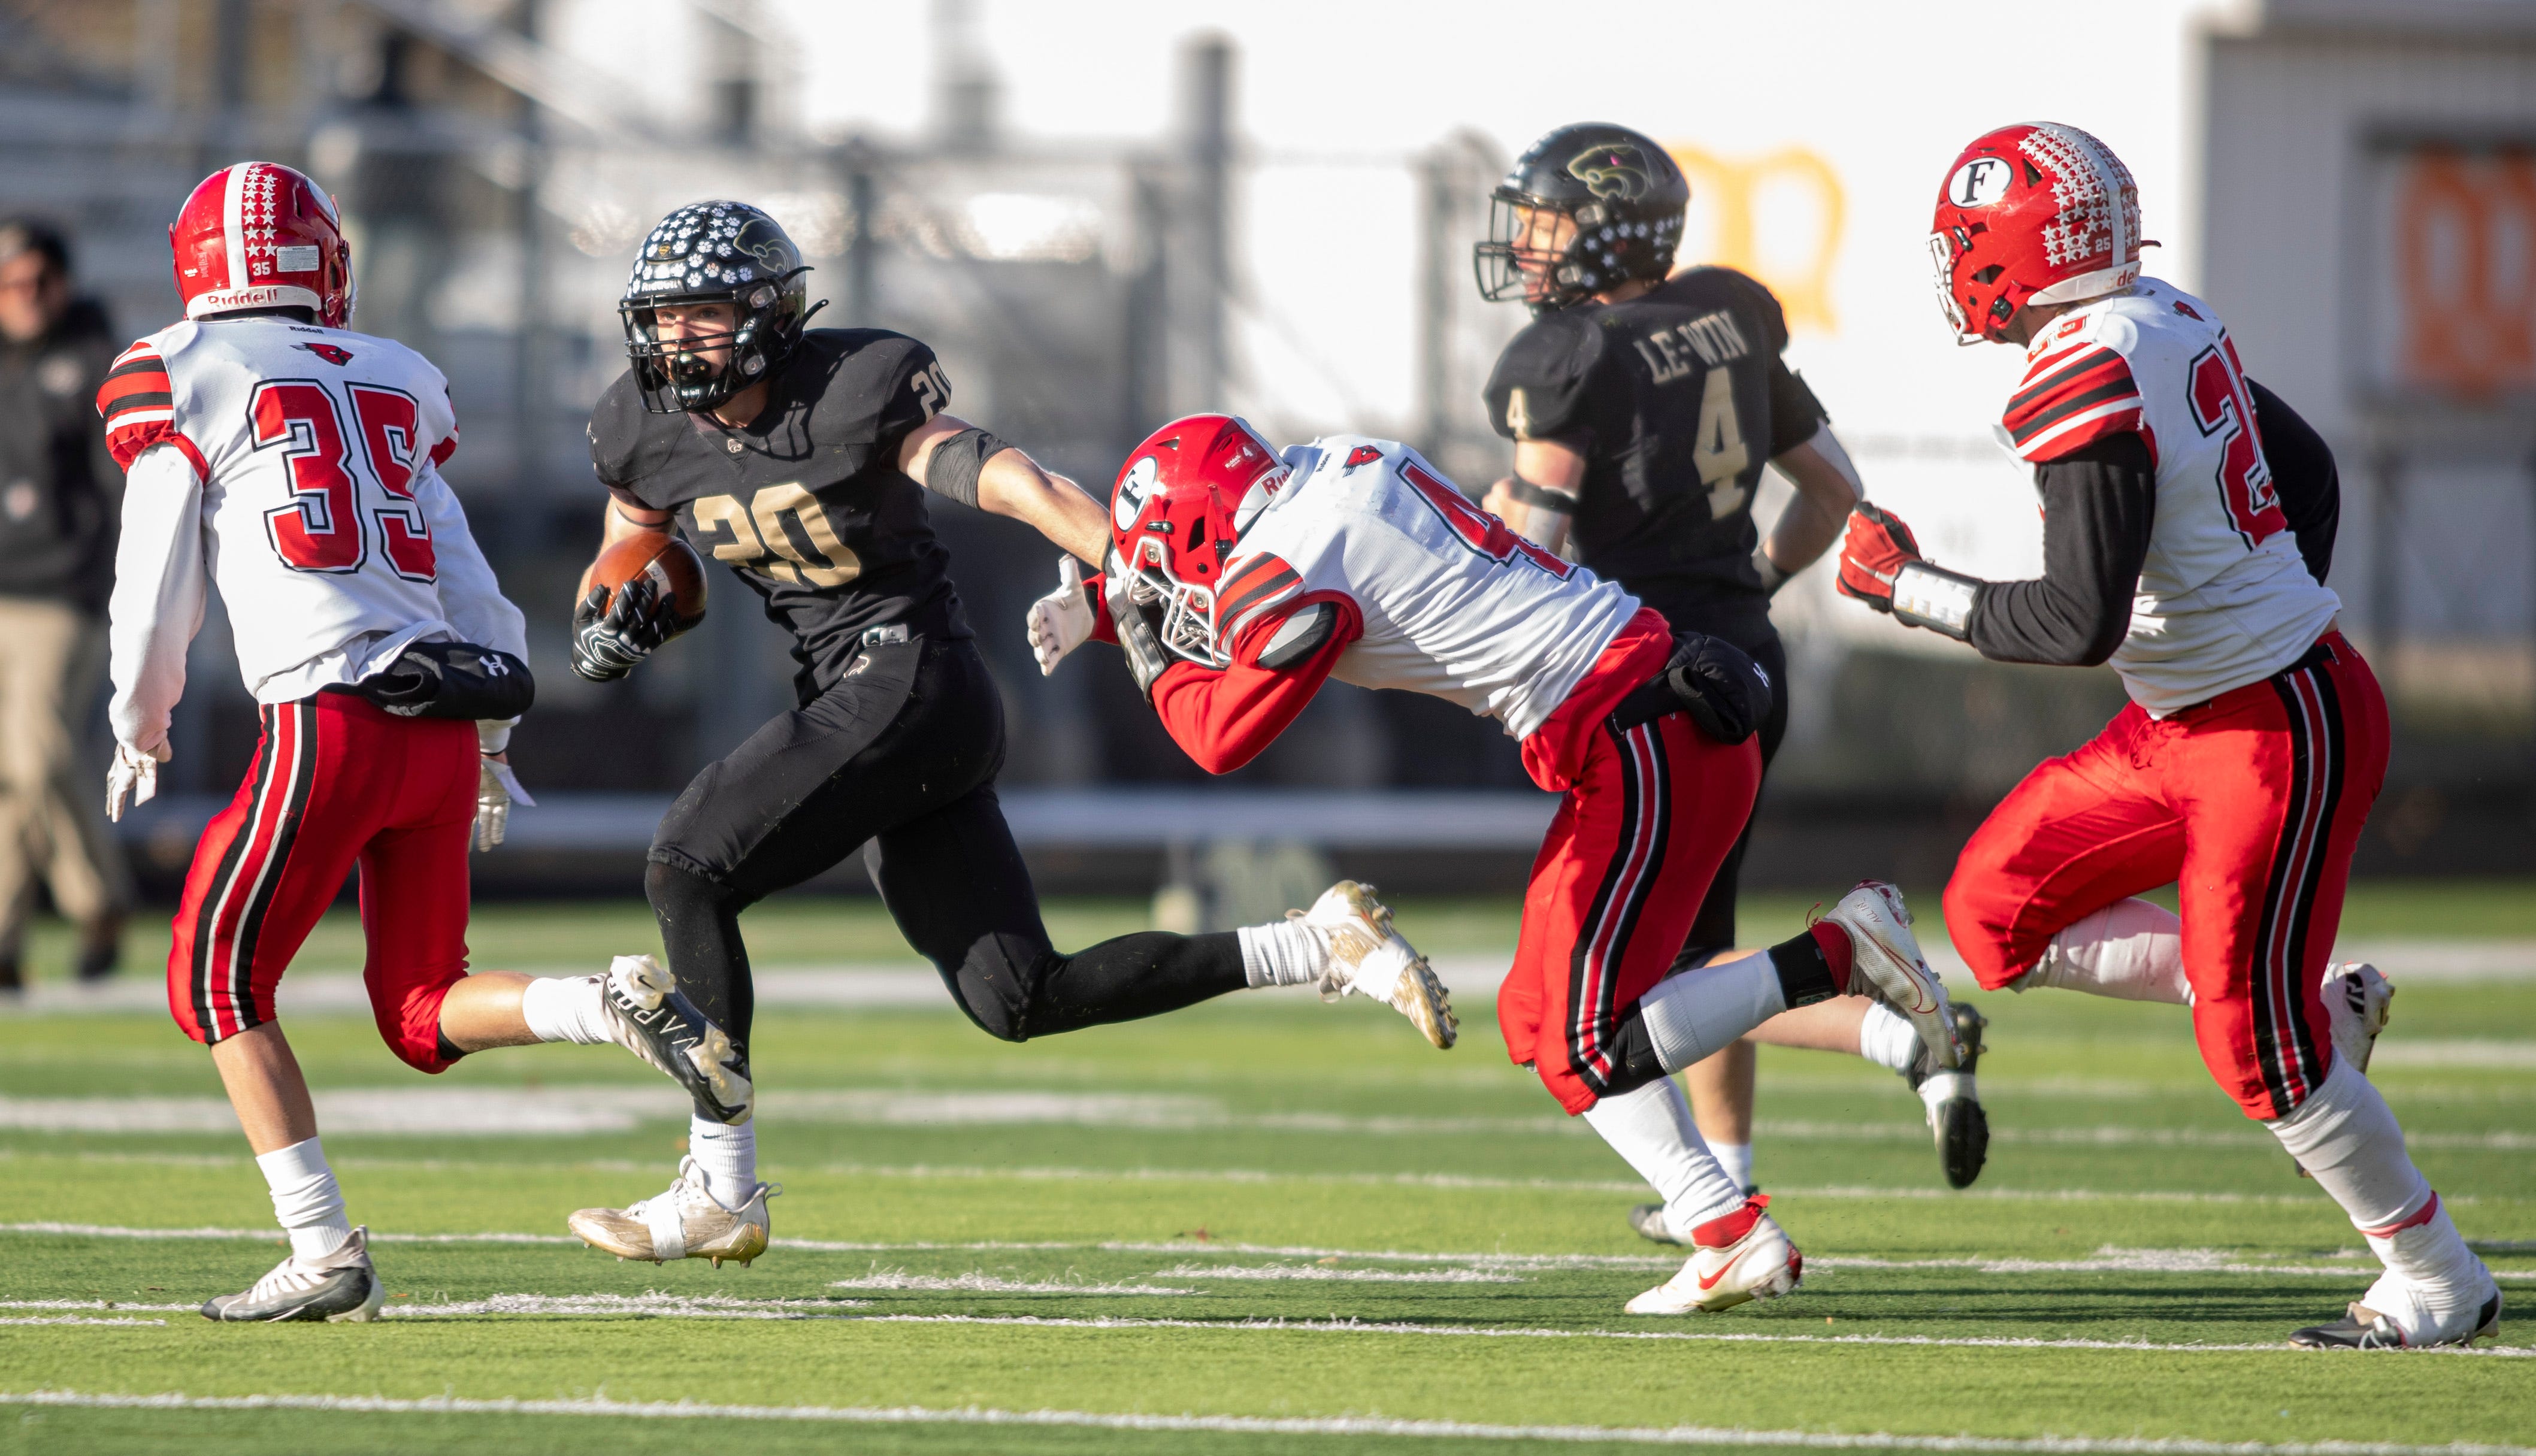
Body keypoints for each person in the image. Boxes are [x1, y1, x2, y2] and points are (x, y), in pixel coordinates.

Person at [564, 201, 1452, 1268]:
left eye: (702, 315)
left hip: (907, 677)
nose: (676, 342)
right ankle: (1319, 942)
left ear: (767, 313)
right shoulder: (640, 424)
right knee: (1020, 996)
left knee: (687, 864)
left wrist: (1141, 571)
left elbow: (1017, 483)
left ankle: (720, 1183)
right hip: (866, 704)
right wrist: (617, 615)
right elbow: (637, 555)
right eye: (661, 319)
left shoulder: (855, 391)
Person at [1029, 414, 1960, 1313]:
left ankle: (1835, 967)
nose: (1169, 585)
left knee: (1580, 1044)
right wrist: (1116, 613)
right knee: (1539, 1018)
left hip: (1637, 735)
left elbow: (1215, 733)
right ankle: (1724, 1225)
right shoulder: (1340, 465)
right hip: (1655, 719)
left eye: (1164, 564)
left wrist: (1136, 634)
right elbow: (1281, 617)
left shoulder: (1291, 562)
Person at [1838, 122, 2499, 1349]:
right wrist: (2247, 602)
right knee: (1991, 912)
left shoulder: (2078, 373)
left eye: (1968, 241)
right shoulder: (2158, 314)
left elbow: (2071, 622)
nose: (1955, 262)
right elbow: (2300, 471)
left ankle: (2434, 1277)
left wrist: (1902, 590)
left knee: (2249, 1049)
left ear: (2012, 252)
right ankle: (2302, 1004)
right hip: (2188, 718)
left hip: (2269, 729)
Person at [102, 162, 749, 1323]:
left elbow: (156, 583)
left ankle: (321, 1249)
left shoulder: (181, 368)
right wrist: (494, 738)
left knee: (213, 975)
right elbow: (463, 574)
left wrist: (137, 714)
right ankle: (599, 1002)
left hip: (327, 724)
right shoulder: (397, 375)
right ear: (325, 261)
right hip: (442, 727)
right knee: (419, 1007)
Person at [1470, 122, 1990, 1218]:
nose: (1525, 244)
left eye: (1546, 222)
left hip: (1643, 689)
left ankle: (1889, 1033)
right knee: (1694, 945)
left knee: (1624, 983)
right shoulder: (1724, 315)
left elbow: (1537, 548)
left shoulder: (1568, 358)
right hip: (1741, 659)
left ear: (1606, 232)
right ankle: (1741, 1164)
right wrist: (1750, 578)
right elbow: (1831, 490)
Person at [0, 219, 134, 989]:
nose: (28, 297)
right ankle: (6, 940)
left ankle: (99, 898)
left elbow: (121, 489)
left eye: (40, 279)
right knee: (11, 772)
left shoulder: (92, 364)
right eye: (12, 283)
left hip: (62, 595)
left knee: (38, 751)